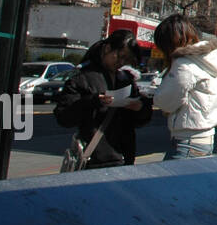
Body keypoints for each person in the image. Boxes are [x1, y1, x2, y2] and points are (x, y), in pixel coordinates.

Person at [54, 30, 153, 167]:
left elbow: (141, 120)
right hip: (94, 159)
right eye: (120, 56)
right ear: (107, 48)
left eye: (127, 60)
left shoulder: (126, 79)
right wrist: (94, 101)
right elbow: (64, 117)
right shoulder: (83, 78)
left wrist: (140, 108)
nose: (121, 62)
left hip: (124, 158)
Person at [152, 14, 217, 160]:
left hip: (187, 141)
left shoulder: (184, 64)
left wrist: (156, 95)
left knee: (170, 181)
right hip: (205, 137)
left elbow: (167, 101)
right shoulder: (207, 58)